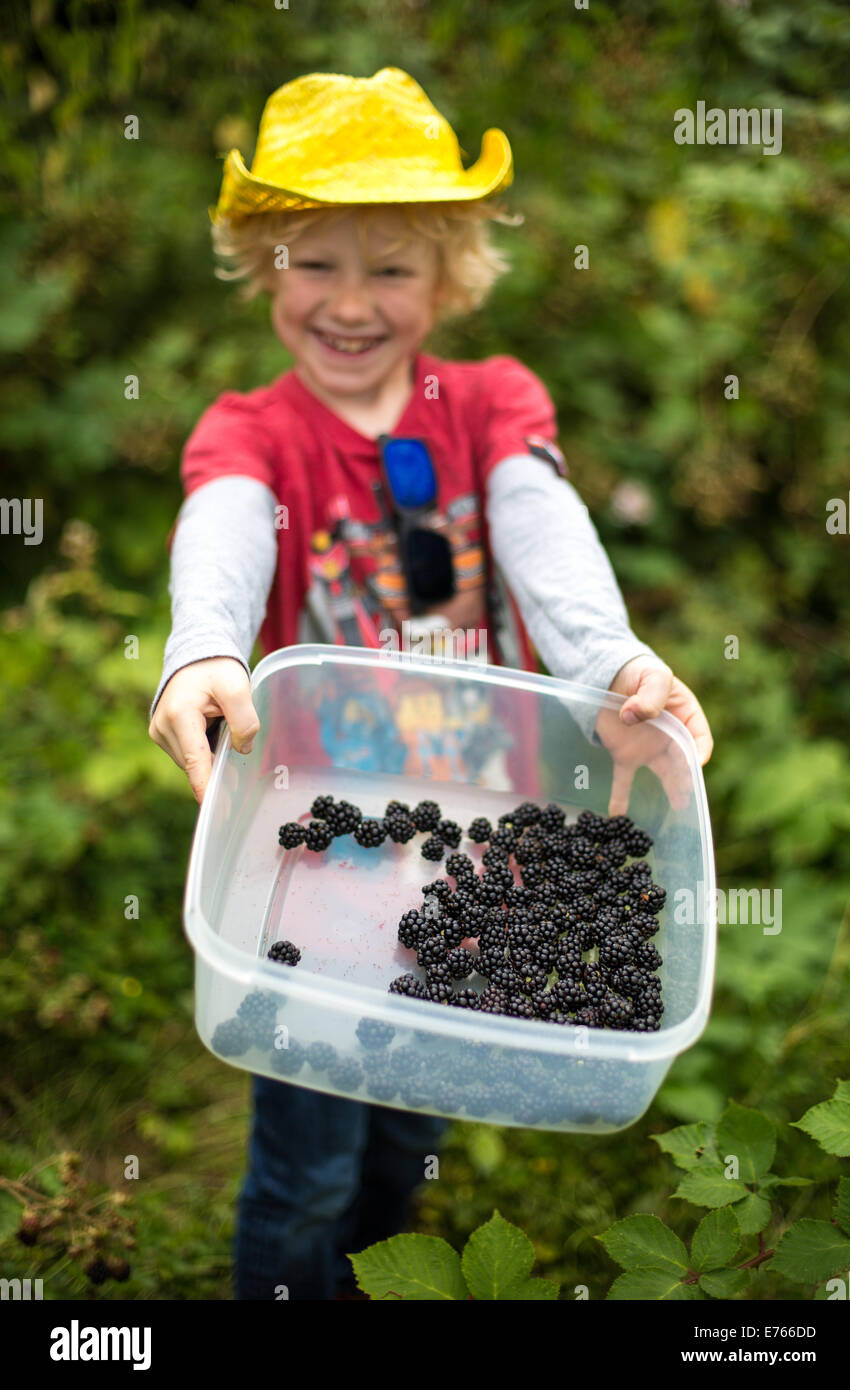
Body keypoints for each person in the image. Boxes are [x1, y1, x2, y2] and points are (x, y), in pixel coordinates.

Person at [148, 67, 713, 1300]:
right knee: (305, 1143)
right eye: (314, 261)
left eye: (392, 268)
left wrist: (603, 655)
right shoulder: (251, 432)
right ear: (261, 267)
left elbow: (539, 520)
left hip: (475, 820)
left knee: (414, 1109)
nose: (350, 302)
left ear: (449, 278)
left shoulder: (493, 402)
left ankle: (382, 1271)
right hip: (325, 845)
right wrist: (202, 646)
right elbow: (227, 534)